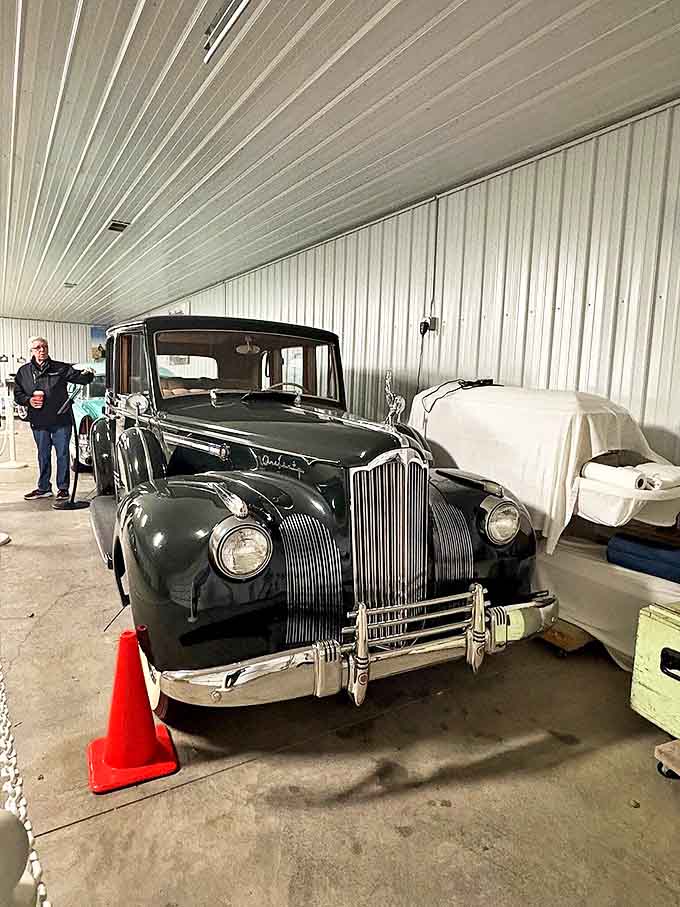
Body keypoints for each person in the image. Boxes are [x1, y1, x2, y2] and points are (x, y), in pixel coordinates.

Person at [13, 336, 94, 501]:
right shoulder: (24, 372)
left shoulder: (61, 368)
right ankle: (44, 488)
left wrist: (88, 375)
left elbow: (80, 378)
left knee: (62, 454)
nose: (42, 350)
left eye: (44, 346)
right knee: (43, 455)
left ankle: (63, 489)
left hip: (61, 420)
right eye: (37, 347)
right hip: (39, 421)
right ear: (32, 351)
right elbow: (17, 394)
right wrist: (28, 400)